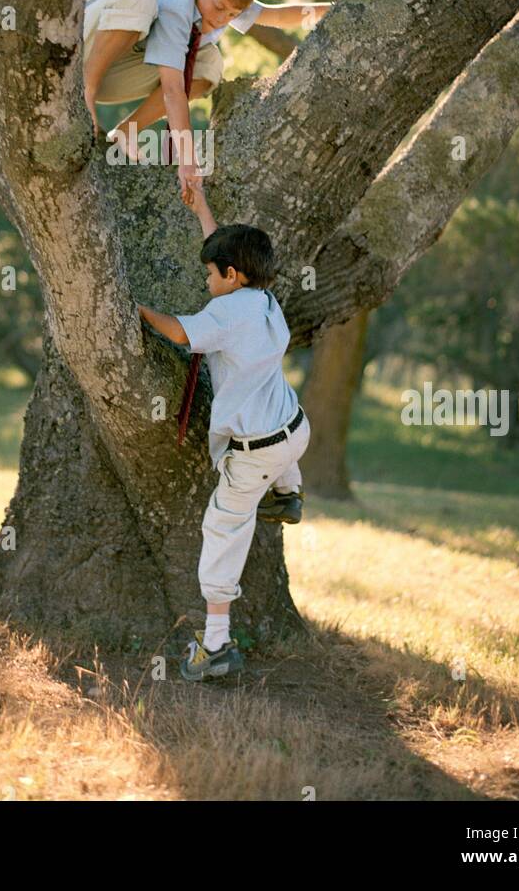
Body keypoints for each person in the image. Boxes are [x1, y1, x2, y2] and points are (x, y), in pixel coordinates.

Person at [136, 185, 310, 681]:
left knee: (222, 532)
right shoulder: (261, 298)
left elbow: (179, 333)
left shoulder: (227, 313)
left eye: (210, 274)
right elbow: (223, 250)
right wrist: (202, 210)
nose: (206, 281)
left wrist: (139, 310)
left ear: (232, 275)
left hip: (254, 453)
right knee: (281, 453)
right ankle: (288, 496)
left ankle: (216, 645)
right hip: (294, 432)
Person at [83, 0, 330, 200]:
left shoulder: (224, 0)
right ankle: (85, 93)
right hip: (83, 48)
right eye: (219, 8)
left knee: (209, 64)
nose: (223, 19)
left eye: (232, 15)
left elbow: (276, 15)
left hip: (116, 72)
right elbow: (173, 90)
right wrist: (187, 161)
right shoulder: (176, 4)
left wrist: (331, 9)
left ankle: (127, 131)